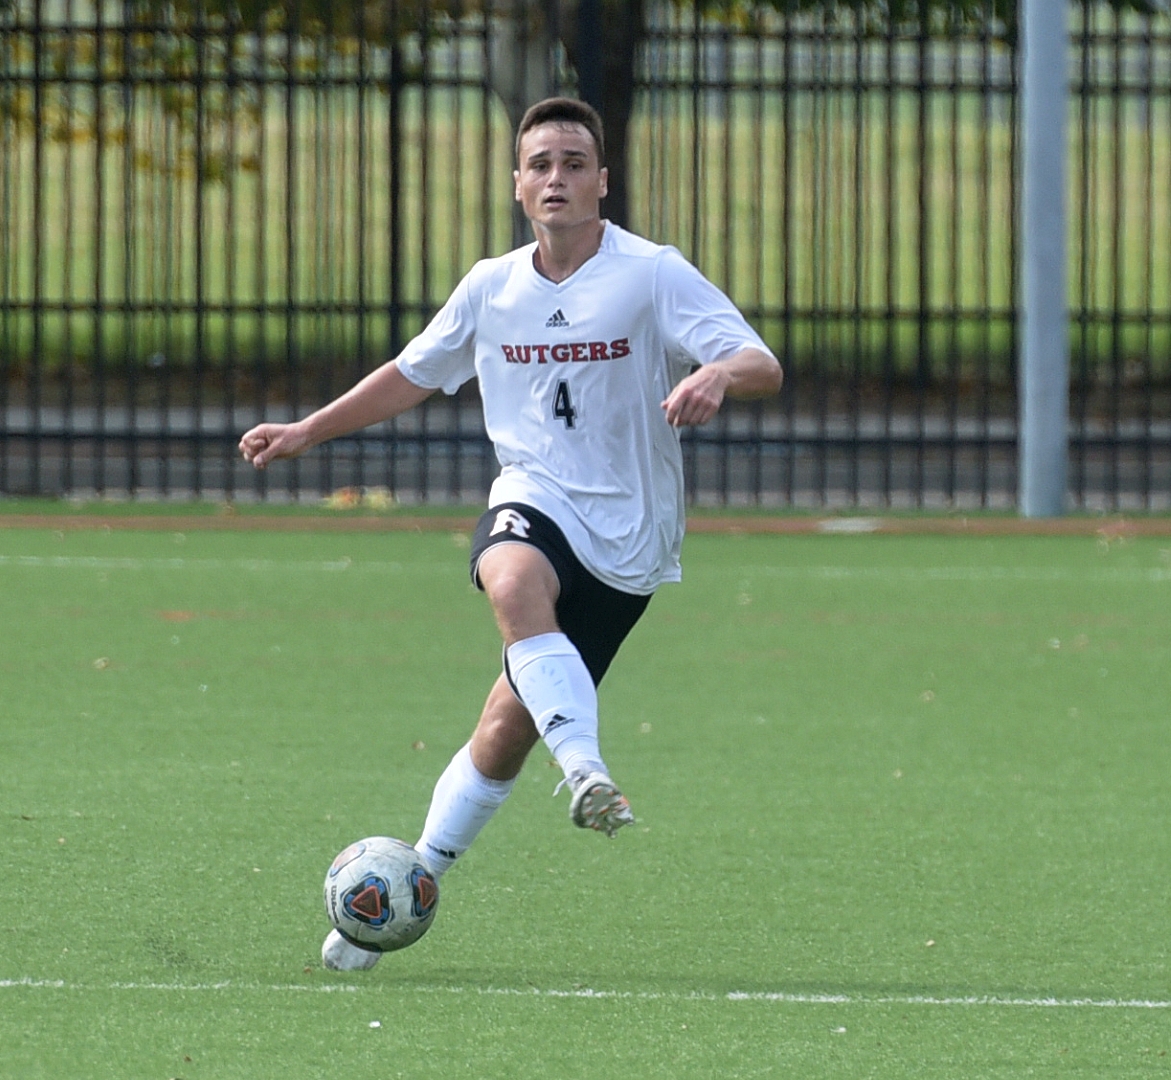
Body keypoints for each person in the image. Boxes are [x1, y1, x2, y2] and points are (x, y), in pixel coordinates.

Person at [238, 97, 782, 971]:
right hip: (535, 496)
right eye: (540, 164)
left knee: (502, 728)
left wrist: (717, 371)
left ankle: (410, 883)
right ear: (518, 186)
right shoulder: (492, 286)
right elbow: (411, 374)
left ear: (602, 182)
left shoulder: (652, 274)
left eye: (573, 163)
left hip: (629, 537)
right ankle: (587, 771)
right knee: (510, 571)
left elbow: (764, 362)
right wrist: (309, 430)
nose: (556, 178)